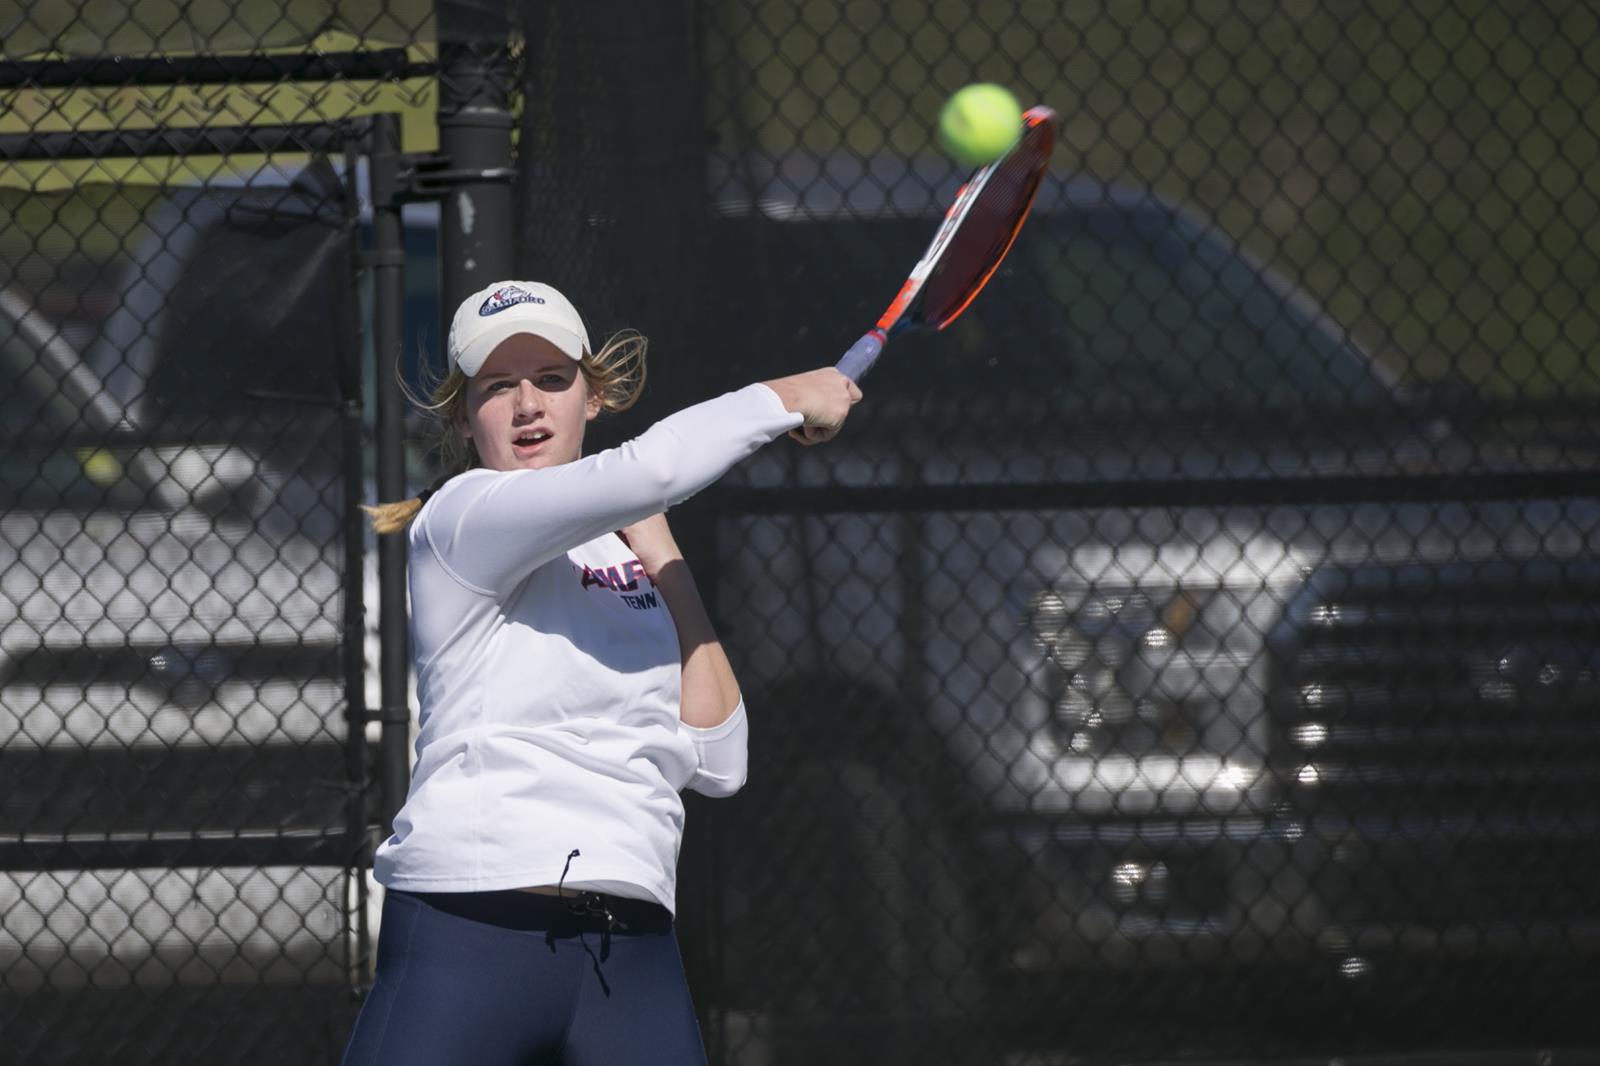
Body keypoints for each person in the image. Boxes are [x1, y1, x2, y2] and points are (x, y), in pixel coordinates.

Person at [340, 280, 861, 1066]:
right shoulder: (464, 518)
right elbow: (649, 470)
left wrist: (663, 557)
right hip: (468, 938)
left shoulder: (628, 550)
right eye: (498, 386)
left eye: (552, 380)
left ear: (594, 396)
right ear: (461, 414)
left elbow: (720, 760)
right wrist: (788, 395)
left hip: (630, 952)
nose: (527, 406)